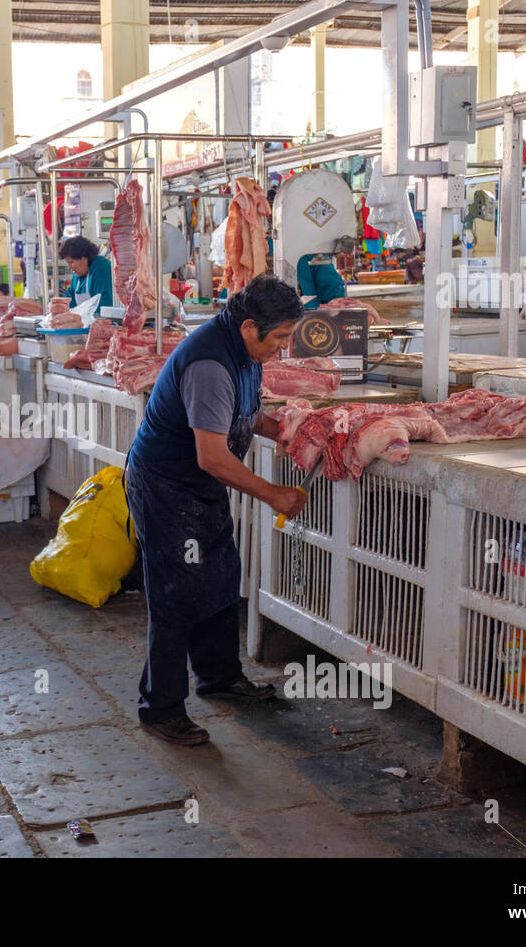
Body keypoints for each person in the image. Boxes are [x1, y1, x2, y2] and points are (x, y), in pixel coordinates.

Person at [124, 275, 309, 746]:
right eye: (281, 338)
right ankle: (160, 708)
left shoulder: (245, 351)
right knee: (177, 593)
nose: (284, 349)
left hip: (199, 488)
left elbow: (244, 415)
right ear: (250, 327)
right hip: (168, 487)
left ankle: (220, 677)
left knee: (222, 577)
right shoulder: (209, 362)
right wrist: (273, 493)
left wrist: (287, 433)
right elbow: (212, 455)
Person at [60, 235, 114, 309]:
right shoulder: (77, 276)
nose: (69, 267)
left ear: (84, 258)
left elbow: (105, 306)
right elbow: (69, 303)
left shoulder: (102, 268)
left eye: (71, 262)